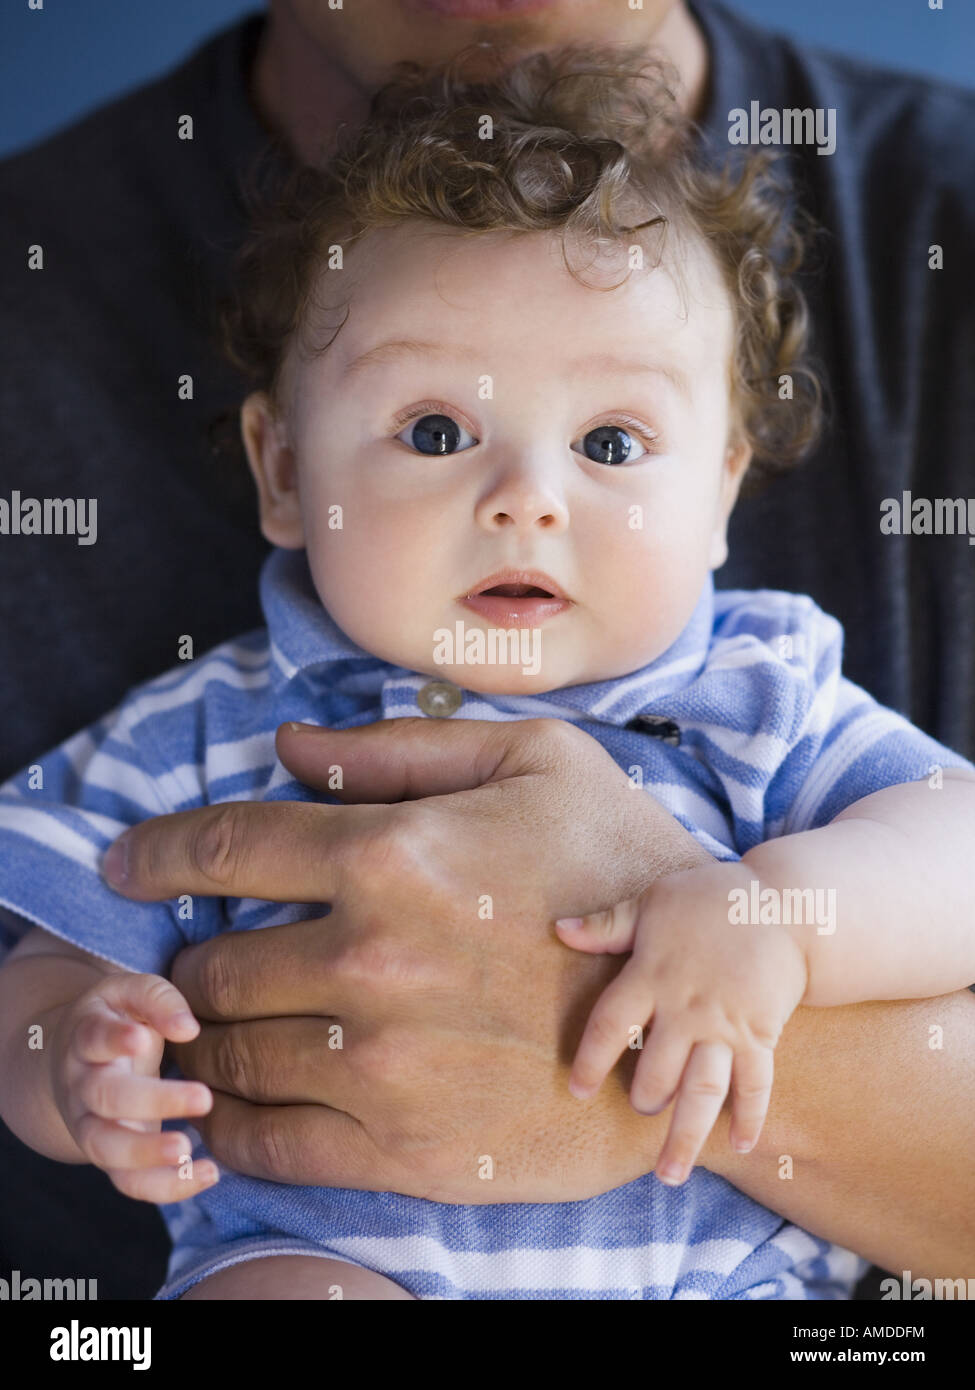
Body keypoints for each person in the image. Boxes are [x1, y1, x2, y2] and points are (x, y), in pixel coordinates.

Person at [1, 1, 973, 1294]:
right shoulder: (216, 720)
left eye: (611, 445)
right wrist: (79, 1053)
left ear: (724, 492)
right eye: (437, 431)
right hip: (329, 1249)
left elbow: (957, 843)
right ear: (283, 470)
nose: (528, 498)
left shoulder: (760, 690)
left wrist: (781, 919)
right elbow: (54, 947)